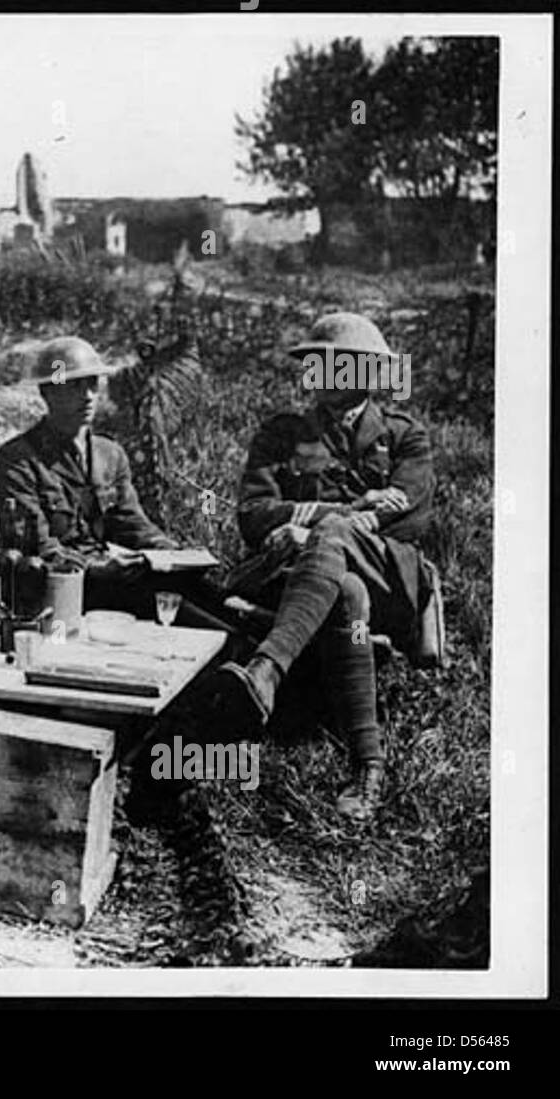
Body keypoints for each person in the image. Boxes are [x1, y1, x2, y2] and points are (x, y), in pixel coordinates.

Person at [211, 312, 435, 822]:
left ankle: (266, 669)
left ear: (371, 372)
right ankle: (368, 767)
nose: (329, 371)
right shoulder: (282, 434)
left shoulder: (405, 437)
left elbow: (409, 518)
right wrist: (354, 513)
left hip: (389, 578)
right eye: (320, 361)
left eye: (344, 362)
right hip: (301, 579)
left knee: (338, 544)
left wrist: (314, 525)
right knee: (345, 590)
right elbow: (252, 516)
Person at [0, 336, 231, 631]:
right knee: (199, 621)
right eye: (74, 386)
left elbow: (131, 522)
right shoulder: (18, 459)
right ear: (47, 392)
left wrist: (168, 550)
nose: (87, 396)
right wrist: (98, 569)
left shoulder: (109, 454)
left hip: (115, 578)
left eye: (92, 384)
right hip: (63, 588)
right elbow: (37, 547)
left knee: (216, 597)